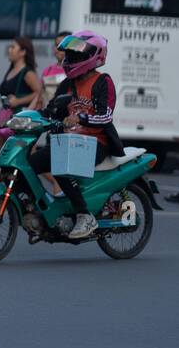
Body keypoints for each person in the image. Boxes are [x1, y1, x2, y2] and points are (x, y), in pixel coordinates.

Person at [29, 31, 124, 239]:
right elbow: (51, 110)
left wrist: (81, 119)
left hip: (97, 142)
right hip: (70, 141)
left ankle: (84, 215)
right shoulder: (68, 83)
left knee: (61, 164)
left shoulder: (103, 82)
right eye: (69, 55)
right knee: (29, 164)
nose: (69, 60)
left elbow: (105, 117)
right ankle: (39, 211)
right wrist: (27, 119)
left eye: (75, 56)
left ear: (92, 56)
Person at [0, 36, 41, 175]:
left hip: (19, 119)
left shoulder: (27, 73)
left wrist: (18, 101)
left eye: (13, 47)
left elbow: (39, 92)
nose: (9, 50)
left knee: (30, 159)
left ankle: (57, 185)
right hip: (5, 117)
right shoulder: (11, 69)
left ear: (23, 52)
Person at [40, 29, 72, 103]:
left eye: (62, 45)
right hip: (48, 112)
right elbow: (39, 96)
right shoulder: (48, 70)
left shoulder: (75, 70)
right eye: (56, 45)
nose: (58, 49)